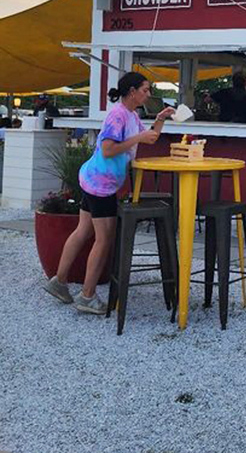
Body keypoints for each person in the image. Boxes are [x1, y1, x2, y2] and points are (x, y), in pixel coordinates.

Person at [44, 72, 175, 315]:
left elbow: (150, 138)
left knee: (83, 231)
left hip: (94, 179)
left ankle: (59, 282)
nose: (148, 94)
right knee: (103, 239)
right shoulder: (118, 114)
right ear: (132, 92)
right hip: (101, 184)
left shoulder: (132, 115)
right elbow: (107, 149)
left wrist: (160, 119)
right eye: (145, 90)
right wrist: (139, 137)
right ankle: (87, 296)